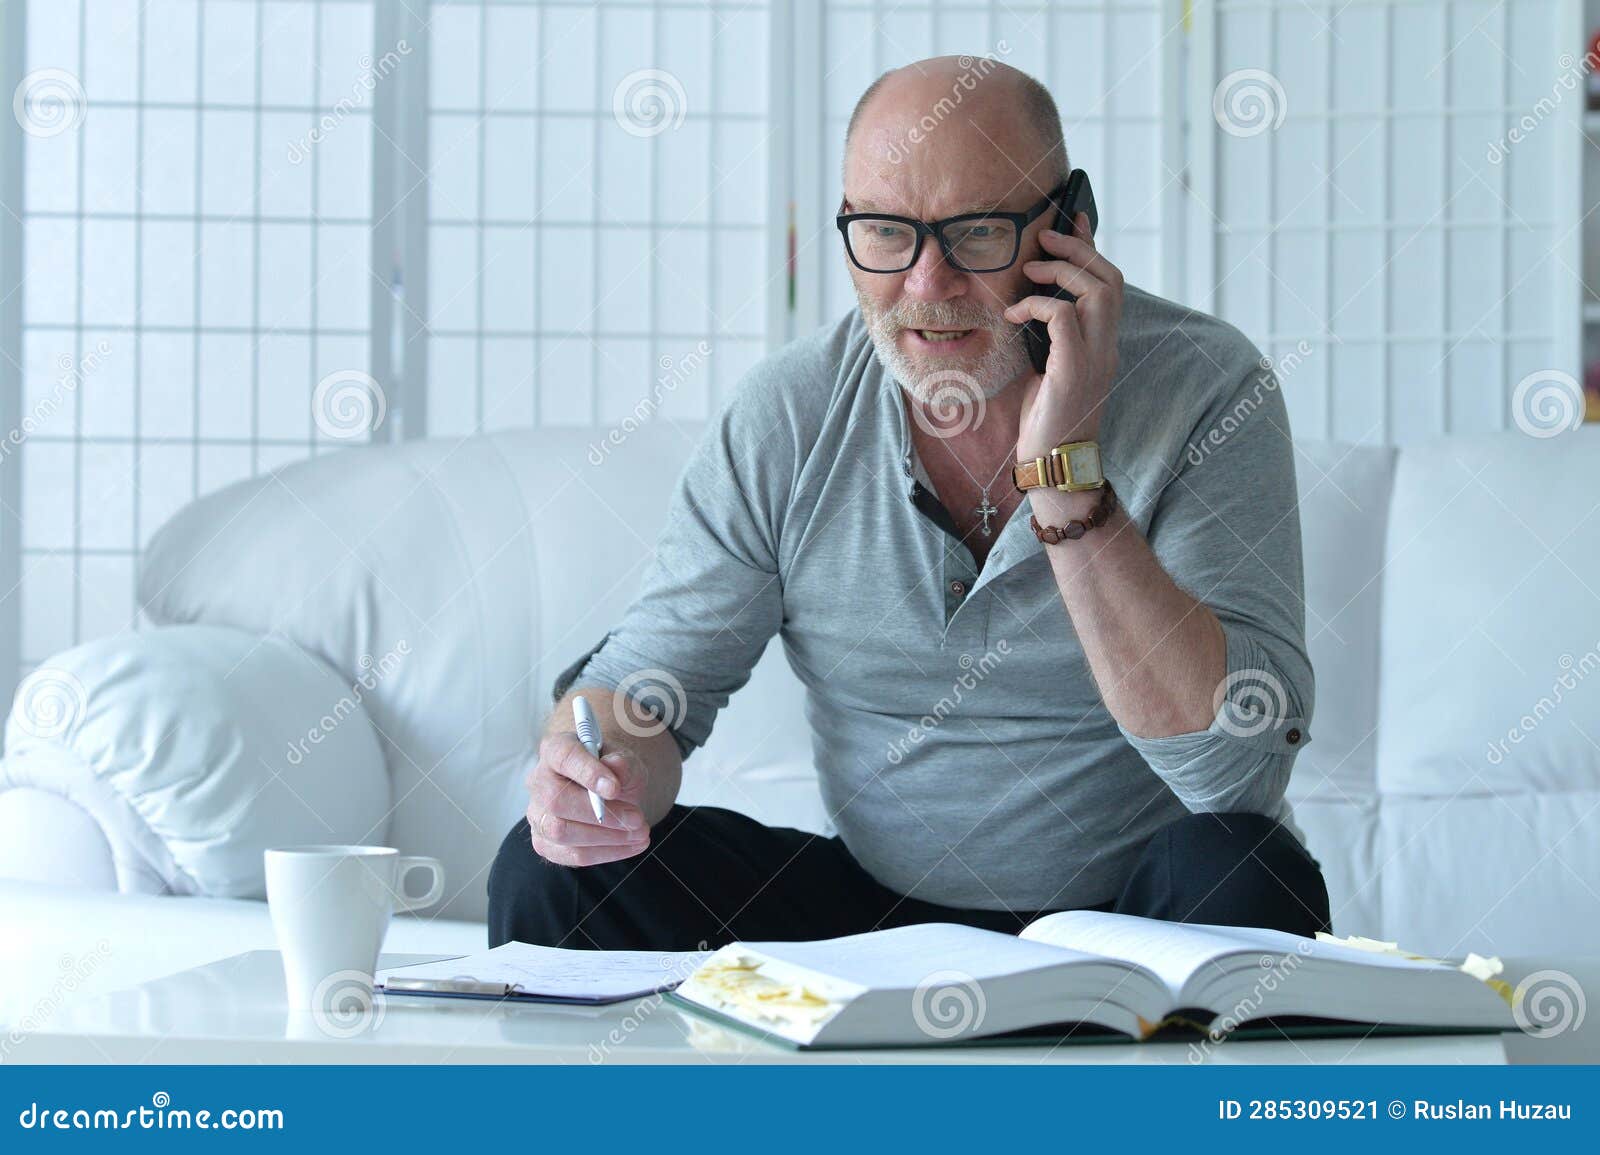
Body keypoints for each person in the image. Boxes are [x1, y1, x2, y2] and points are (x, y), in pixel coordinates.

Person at [488, 57, 1330, 952]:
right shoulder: (791, 412)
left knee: (1254, 878)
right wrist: (599, 775)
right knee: (551, 876)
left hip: (1133, 920)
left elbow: (1235, 773)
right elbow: (647, 690)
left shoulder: (1206, 387)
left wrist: (1065, 470)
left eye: (976, 232)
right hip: (873, 917)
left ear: (1072, 230)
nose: (927, 286)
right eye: (887, 232)